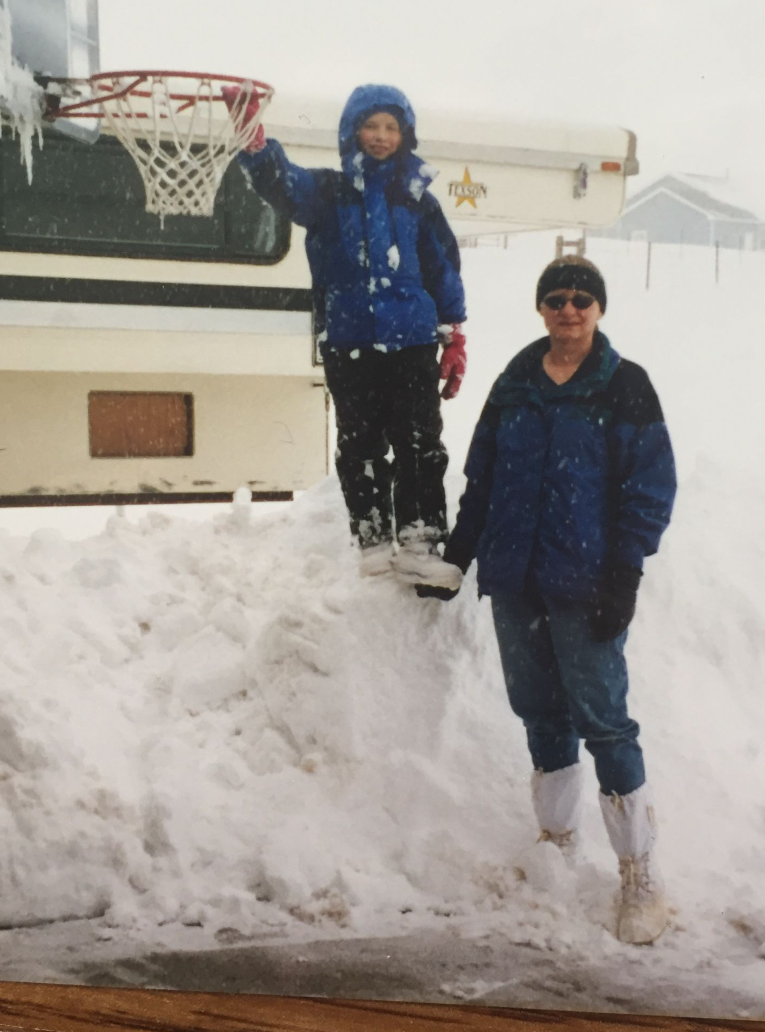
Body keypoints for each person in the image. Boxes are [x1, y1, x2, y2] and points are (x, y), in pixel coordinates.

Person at [423, 255, 677, 945]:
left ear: (599, 309)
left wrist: (624, 576)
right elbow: (483, 479)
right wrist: (457, 555)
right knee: (539, 711)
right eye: (556, 299)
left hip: (585, 584)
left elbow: (650, 489)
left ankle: (640, 872)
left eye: (581, 299)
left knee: (604, 720)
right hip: (516, 579)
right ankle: (556, 838)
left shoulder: (625, 386)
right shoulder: (514, 381)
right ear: (541, 308)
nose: (568, 310)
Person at [226, 83, 467, 588]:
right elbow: (279, 182)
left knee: (420, 442)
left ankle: (421, 542)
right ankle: (374, 540)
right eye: (371, 125)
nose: (380, 136)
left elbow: (443, 267)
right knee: (360, 443)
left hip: (413, 341)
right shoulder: (328, 193)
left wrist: (455, 335)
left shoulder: (418, 199)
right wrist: (252, 136)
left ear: (405, 135)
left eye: (391, 127)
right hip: (349, 341)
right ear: (352, 131)